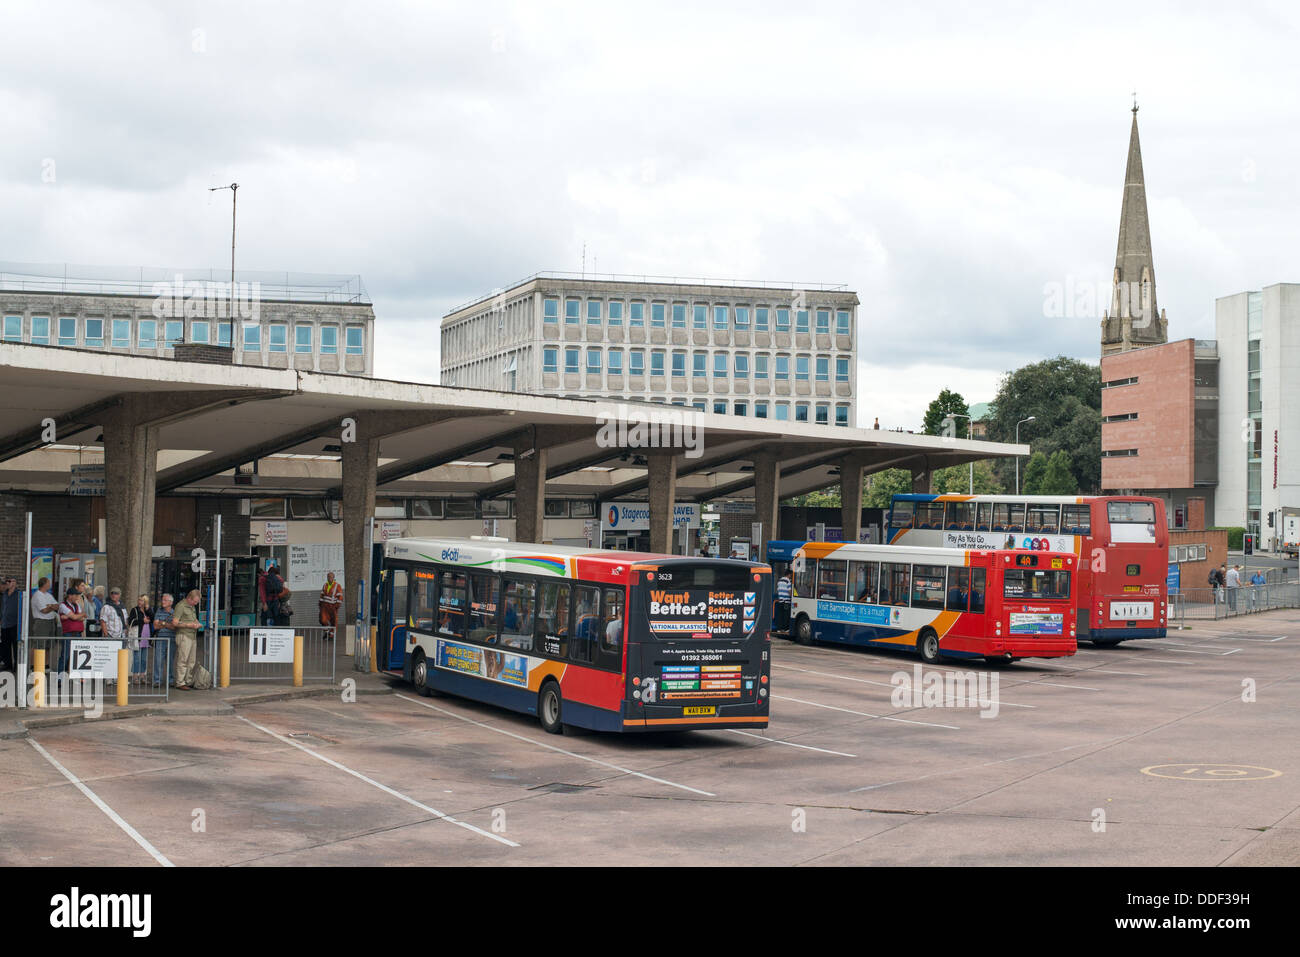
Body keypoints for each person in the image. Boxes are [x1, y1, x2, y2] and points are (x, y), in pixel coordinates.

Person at [172, 589, 202, 690]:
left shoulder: (192, 607)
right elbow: (175, 622)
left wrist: (197, 623)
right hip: (184, 635)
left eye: (197, 602)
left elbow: (193, 619)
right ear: (189, 598)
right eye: (195, 601)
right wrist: (189, 625)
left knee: (191, 660)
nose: (196, 604)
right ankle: (180, 682)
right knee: (183, 659)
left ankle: (188, 680)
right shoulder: (181, 606)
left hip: (192, 635)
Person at [58, 579, 88, 673]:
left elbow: (82, 617)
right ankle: (60, 677)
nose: (77, 597)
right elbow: (76, 617)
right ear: (70, 595)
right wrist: (78, 616)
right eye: (75, 595)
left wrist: (71, 616)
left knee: (76, 655)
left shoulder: (76, 605)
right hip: (68, 633)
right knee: (65, 655)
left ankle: (74, 675)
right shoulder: (63, 605)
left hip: (77, 633)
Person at [30, 577, 60, 669]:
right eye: (48, 582)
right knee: (39, 644)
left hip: (50, 621)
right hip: (41, 622)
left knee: (48, 645)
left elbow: (57, 606)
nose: (50, 584)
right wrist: (51, 606)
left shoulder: (48, 595)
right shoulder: (37, 595)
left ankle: (45, 664)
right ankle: (34, 665)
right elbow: (44, 610)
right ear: (44, 584)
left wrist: (50, 606)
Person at [99, 588, 127, 684]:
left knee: (119, 658)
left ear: (119, 595)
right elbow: (103, 621)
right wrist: (106, 634)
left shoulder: (123, 607)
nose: (114, 595)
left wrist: (125, 632)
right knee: (109, 657)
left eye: (116, 593)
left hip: (121, 635)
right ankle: (108, 678)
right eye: (112, 593)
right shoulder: (106, 607)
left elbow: (125, 621)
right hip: (111, 635)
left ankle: (116, 677)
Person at [127, 593, 153, 684]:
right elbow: (130, 621)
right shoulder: (134, 610)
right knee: (137, 657)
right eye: (139, 600)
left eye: (142, 600)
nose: (139, 602)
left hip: (146, 636)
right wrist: (142, 620)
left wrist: (147, 608)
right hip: (138, 636)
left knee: (144, 658)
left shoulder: (147, 610)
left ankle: (142, 676)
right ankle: (135, 676)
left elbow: (152, 618)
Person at [151, 593, 176, 687]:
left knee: (170, 660)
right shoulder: (158, 611)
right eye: (162, 600)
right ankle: (157, 680)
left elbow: (174, 627)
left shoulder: (174, 613)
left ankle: (170, 680)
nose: (163, 602)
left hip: (171, 639)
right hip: (160, 638)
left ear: (170, 602)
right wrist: (167, 624)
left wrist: (163, 623)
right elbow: (155, 626)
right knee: (158, 660)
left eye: (165, 600)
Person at [1, 576, 20, 672]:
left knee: (15, 646)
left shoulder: (18, 594)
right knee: (5, 646)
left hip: (14, 624)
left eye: (11, 581)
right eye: (8, 581)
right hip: (4, 624)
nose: (9, 583)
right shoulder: (4, 594)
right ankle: (8, 664)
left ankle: (16, 665)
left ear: (15, 583)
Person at [318, 571, 342, 641]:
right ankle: (327, 632)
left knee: (333, 621)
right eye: (328, 577)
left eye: (331, 577)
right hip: (324, 607)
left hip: (333, 606)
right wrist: (320, 604)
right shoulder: (325, 585)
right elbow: (322, 595)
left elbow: (340, 597)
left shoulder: (337, 586)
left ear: (334, 578)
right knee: (322, 620)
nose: (329, 578)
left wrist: (336, 606)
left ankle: (331, 635)